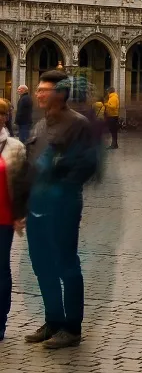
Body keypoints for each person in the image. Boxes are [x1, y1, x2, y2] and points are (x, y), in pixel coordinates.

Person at [24, 70, 98, 349]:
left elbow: (87, 165)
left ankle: (72, 328)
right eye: (38, 89)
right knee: (42, 264)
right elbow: (31, 165)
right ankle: (53, 320)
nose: (39, 94)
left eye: (44, 90)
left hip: (63, 205)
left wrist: (60, 181)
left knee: (66, 265)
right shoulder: (39, 125)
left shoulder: (78, 124)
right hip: (36, 207)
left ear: (60, 93)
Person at [0, 99, 29, 342]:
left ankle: (0, 321)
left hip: (3, 219)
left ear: (4, 118)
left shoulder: (15, 147)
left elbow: (20, 186)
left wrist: (20, 214)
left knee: (0, 269)